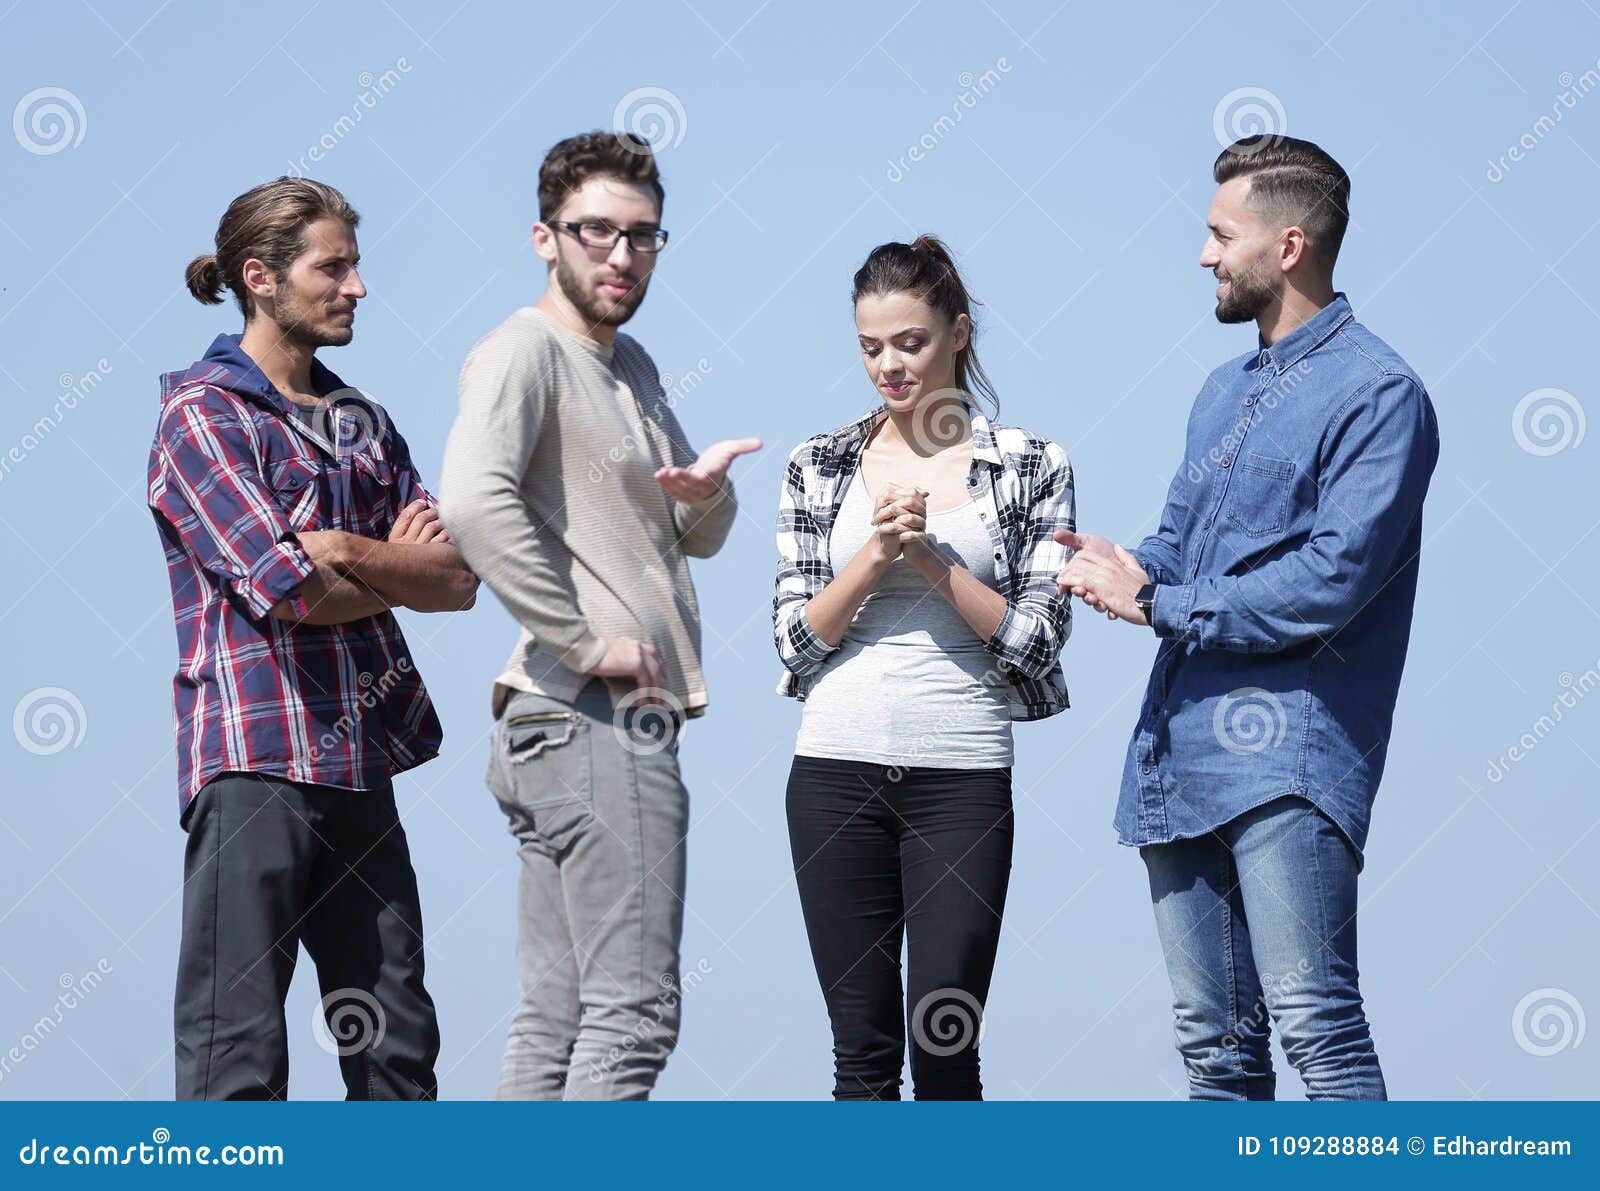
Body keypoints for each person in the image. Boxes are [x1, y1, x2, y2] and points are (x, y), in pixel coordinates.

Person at [1058, 135, 1439, 1100]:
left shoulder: (1380, 395)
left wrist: (1158, 601)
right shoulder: (1220, 391)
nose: (1204, 255)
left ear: (1289, 245)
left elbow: (1333, 581)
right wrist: (1129, 566)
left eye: (1221, 235)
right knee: (1215, 1053)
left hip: (1287, 767)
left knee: (1319, 1028)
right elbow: (1180, 544)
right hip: (1177, 760)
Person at [439, 130, 759, 1100]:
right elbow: (472, 503)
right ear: (545, 237)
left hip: (558, 726)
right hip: (591, 721)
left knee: (557, 1021)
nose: (622, 255)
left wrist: (704, 491)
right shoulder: (522, 351)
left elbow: (698, 533)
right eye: (596, 231)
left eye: (643, 235)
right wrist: (584, 642)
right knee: (634, 1016)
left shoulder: (633, 365)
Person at [150, 177, 477, 1100]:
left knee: (398, 1056)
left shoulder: (363, 421)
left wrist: (345, 548)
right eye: (333, 268)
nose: (356, 287)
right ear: (260, 278)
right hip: (255, 763)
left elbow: (458, 580)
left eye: (355, 266)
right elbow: (287, 587)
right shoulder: (203, 416)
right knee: (238, 1060)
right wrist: (385, 568)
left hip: (362, 766)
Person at [773, 235, 1075, 1100]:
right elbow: (794, 642)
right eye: (870, 347)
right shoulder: (817, 463)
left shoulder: (1031, 464)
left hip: (962, 778)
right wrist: (876, 554)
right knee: (862, 1057)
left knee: (945, 1044)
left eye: (910, 342)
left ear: (958, 332)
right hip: (833, 772)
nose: (889, 366)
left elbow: (1037, 642)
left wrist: (934, 562)